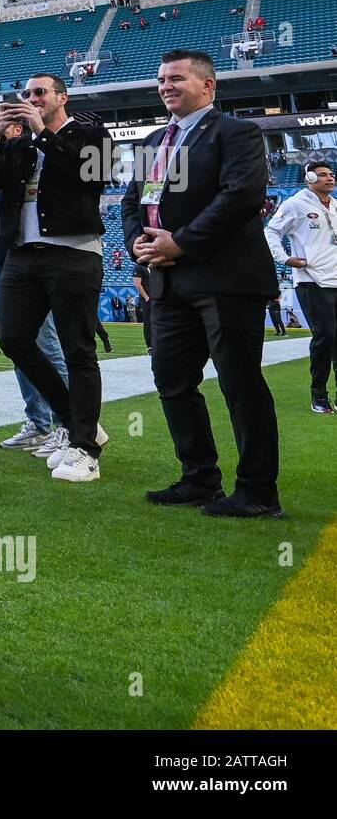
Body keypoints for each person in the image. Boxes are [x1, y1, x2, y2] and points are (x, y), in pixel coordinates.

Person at [121, 49, 282, 517]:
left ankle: (257, 491)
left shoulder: (237, 133)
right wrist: (139, 245)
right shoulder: (152, 142)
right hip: (168, 282)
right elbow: (133, 204)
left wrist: (182, 243)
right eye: (160, 79)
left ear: (207, 86)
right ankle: (198, 477)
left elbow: (242, 196)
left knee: (240, 382)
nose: (165, 86)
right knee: (172, 380)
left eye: (176, 78)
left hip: (224, 277)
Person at [0, 74, 112, 482]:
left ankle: (85, 447)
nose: (31, 99)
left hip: (73, 252)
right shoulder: (19, 144)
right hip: (22, 254)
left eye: (40, 93)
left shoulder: (91, 133)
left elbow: (97, 177)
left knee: (77, 349)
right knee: (14, 338)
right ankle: (77, 422)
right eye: (27, 94)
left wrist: (42, 133)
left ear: (61, 97)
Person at [0, 107, 71, 453]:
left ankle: (70, 423)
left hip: (25, 260)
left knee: (46, 344)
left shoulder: (27, 154)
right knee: (17, 346)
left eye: (2, 122)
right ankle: (39, 422)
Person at [265, 161, 337, 412]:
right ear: (308, 178)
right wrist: (284, 258)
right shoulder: (295, 204)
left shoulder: (336, 205)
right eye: (324, 175)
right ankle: (319, 394)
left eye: (332, 174)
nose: (330, 178)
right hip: (311, 280)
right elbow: (271, 232)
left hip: (336, 278)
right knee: (325, 335)